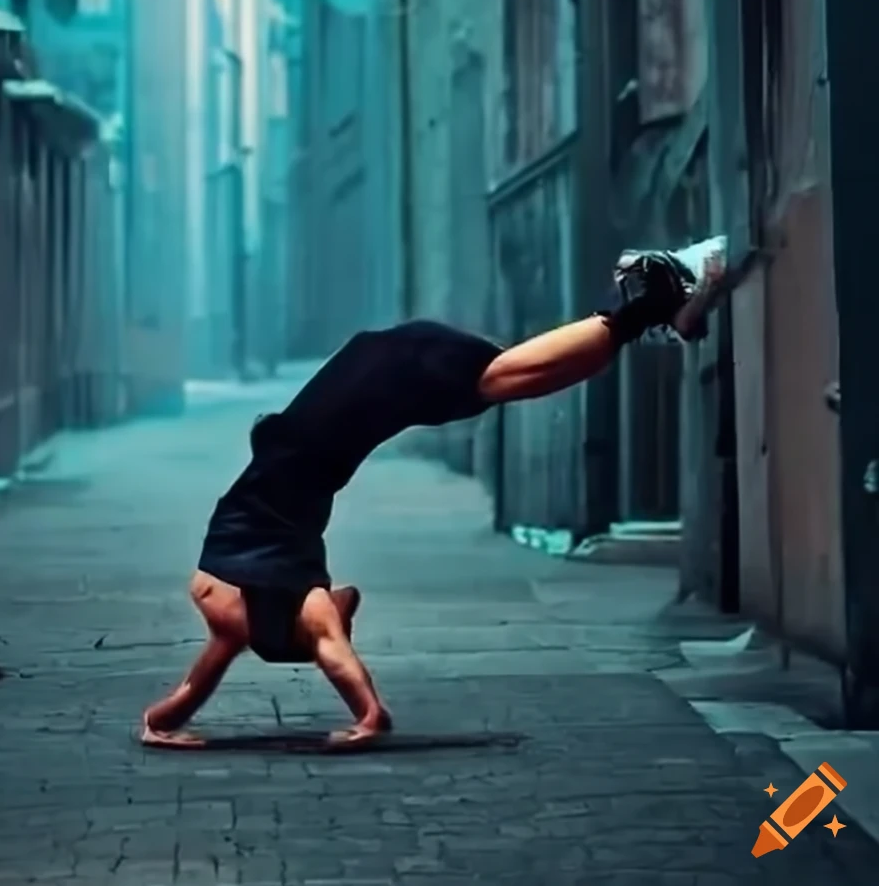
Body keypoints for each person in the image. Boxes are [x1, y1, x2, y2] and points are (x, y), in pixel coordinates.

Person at [142, 236, 731, 749]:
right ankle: (649, 306)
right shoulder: (252, 590)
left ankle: (650, 293)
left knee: (501, 379)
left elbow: (327, 651)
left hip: (384, 373)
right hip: (377, 369)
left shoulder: (278, 598)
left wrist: (367, 715)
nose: (341, 609)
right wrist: (158, 725)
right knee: (502, 379)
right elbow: (199, 684)